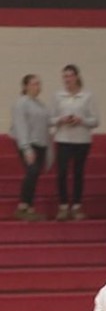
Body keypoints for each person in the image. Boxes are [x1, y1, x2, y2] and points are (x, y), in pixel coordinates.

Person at [51, 64, 99, 221]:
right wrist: (61, 119)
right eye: (65, 76)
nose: (67, 79)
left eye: (70, 76)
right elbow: (50, 119)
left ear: (77, 77)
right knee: (62, 173)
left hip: (82, 140)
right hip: (63, 139)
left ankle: (77, 205)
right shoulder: (58, 96)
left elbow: (95, 120)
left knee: (78, 173)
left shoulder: (87, 96)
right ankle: (63, 206)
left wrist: (81, 120)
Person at [10, 74, 50, 222]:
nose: (38, 87)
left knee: (35, 174)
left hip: (40, 144)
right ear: (26, 86)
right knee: (32, 172)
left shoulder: (40, 104)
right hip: (28, 143)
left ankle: (30, 208)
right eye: (34, 84)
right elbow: (20, 126)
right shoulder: (21, 103)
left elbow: (48, 122)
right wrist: (26, 148)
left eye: (39, 84)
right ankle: (22, 206)